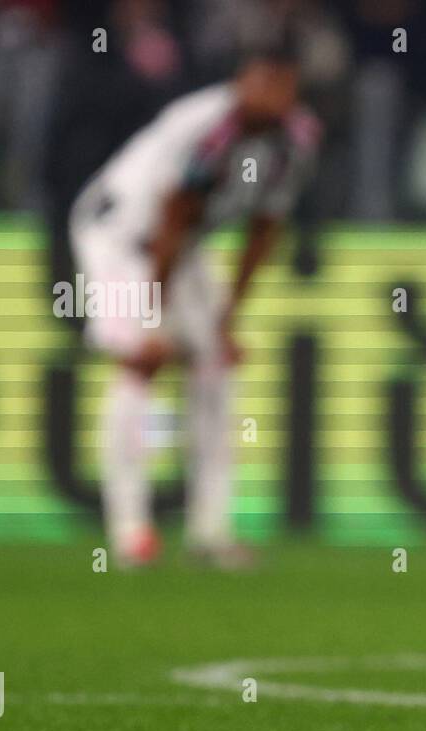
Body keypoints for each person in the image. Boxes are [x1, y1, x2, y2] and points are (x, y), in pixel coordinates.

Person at [70, 47, 319, 567]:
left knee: (216, 366)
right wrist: (152, 314)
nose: (271, 95)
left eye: (282, 85)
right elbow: (171, 212)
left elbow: (263, 230)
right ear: (241, 81)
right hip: (117, 236)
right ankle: (130, 529)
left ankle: (210, 528)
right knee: (143, 360)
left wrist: (229, 316)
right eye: (261, 82)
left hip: (181, 245)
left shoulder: (294, 140)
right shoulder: (206, 126)